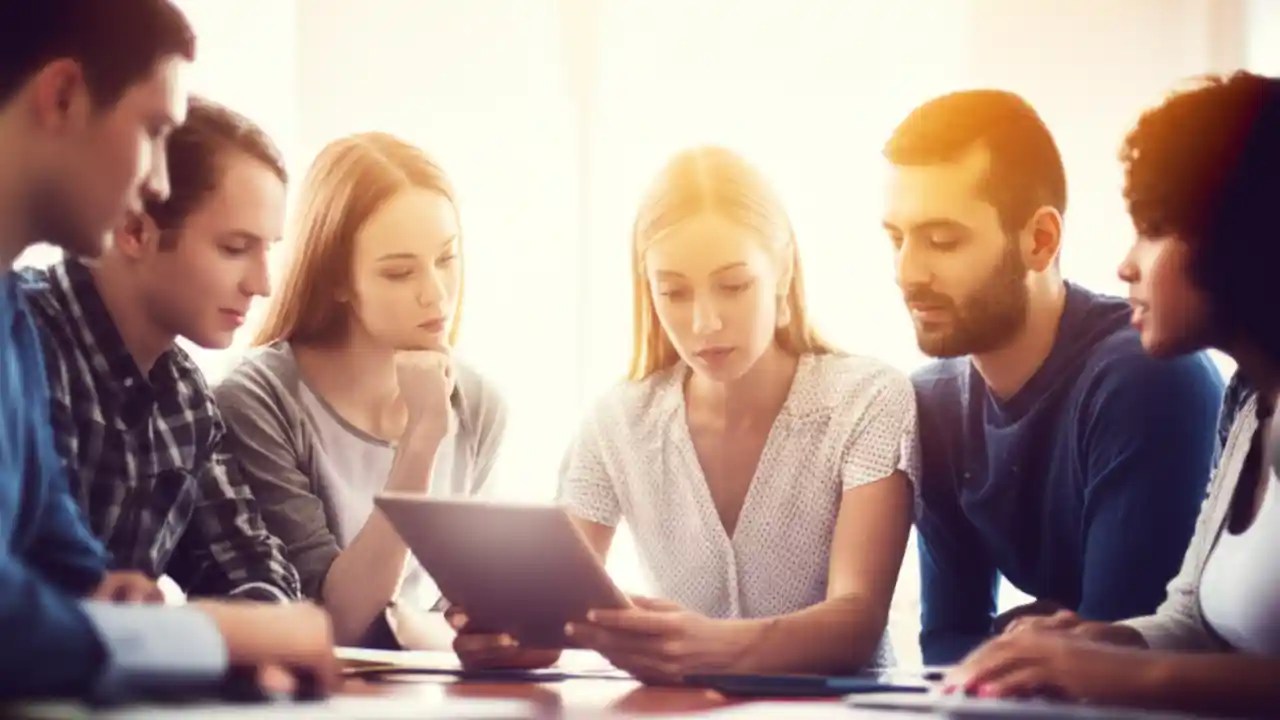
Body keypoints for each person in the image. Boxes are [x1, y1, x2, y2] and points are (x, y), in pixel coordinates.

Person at [452, 146, 917, 683]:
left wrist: (707, 646)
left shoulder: (869, 399)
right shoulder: (617, 424)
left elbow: (856, 621)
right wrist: (510, 635)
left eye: (734, 286)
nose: (705, 322)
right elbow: (554, 617)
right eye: (673, 292)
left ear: (783, 268)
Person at [0, 0, 334, 700]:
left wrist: (128, 606)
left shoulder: (12, 325)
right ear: (62, 96)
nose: (152, 183)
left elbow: (65, 563)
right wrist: (204, 638)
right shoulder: (39, 319)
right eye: (152, 133)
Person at [946, 71, 1280, 717]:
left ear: (1242, 234)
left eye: (1153, 228)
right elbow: (1194, 622)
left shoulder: (1153, 384)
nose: (1126, 265)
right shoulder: (1249, 403)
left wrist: (1129, 676)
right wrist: (1107, 641)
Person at [882, 89, 1226, 665]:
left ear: (1040, 240)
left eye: (942, 240)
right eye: (896, 238)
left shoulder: (1145, 379)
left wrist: (1026, 640)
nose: (906, 273)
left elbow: (1114, 656)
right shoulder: (931, 401)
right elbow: (947, 647)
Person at [215, 132, 506, 648]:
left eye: (447, 259)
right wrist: (420, 440)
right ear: (337, 280)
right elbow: (340, 622)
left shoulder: (478, 403)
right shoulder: (259, 400)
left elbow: (456, 615)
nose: (435, 294)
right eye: (399, 272)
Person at [20, 95, 300, 602]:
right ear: (134, 231)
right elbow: (46, 579)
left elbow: (251, 562)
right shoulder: (25, 344)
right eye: (235, 248)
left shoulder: (185, 396)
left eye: (269, 249)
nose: (263, 284)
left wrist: (263, 625)